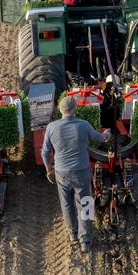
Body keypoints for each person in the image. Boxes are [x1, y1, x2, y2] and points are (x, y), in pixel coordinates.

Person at [42, 95, 110, 253]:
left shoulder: (51, 127)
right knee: (85, 202)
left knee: (66, 204)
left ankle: (73, 235)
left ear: (60, 110)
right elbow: (99, 139)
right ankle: (85, 240)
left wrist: (48, 170)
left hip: (61, 172)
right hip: (81, 171)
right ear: (76, 109)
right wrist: (107, 133)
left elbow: (45, 153)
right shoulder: (83, 125)